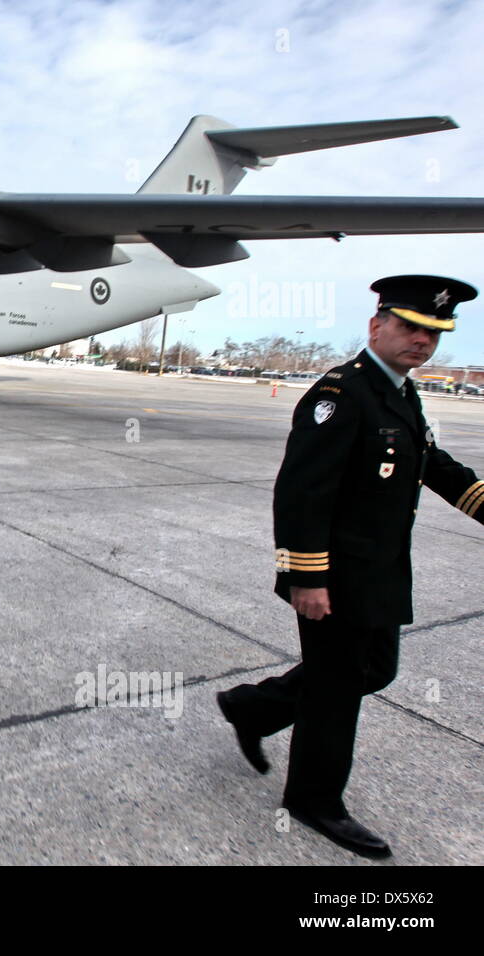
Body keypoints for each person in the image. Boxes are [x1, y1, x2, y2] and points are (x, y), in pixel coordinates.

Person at [217, 275, 484, 859]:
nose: (422, 341)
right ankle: (313, 801)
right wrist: (306, 577)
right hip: (331, 576)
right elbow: (301, 494)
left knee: (374, 672)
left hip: (378, 569)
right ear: (377, 325)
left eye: (433, 333)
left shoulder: (402, 392)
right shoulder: (340, 393)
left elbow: (429, 462)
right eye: (410, 327)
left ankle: (253, 707)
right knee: (337, 688)